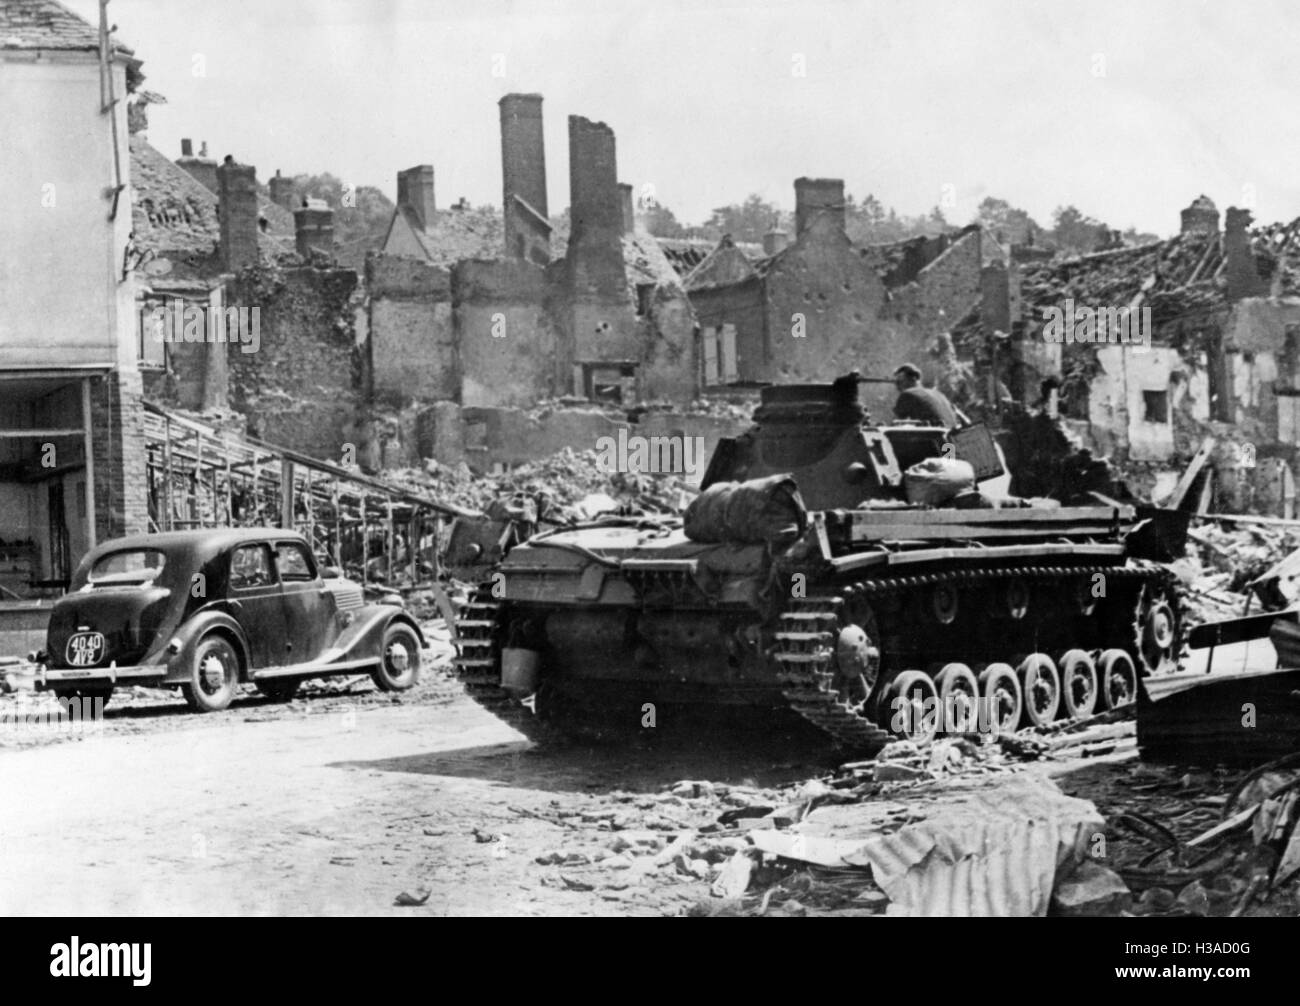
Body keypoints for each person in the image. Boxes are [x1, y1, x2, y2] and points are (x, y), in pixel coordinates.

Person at [892, 363, 959, 428]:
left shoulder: (907, 394)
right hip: (951, 435)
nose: (897, 386)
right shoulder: (938, 393)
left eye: (899, 382)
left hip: (935, 436)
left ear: (913, 379)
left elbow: (896, 423)